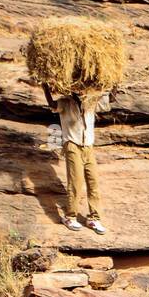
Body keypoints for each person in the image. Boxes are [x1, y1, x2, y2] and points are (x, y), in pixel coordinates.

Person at [42, 85, 112, 234]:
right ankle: (70, 217)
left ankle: (94, 218)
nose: (80, 90)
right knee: (76, 182)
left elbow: (108, 101)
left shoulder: (91, 101)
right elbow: (52, 105)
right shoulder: (65, 102)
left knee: (93, 182)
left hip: (88, 146)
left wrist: (115, 83)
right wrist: (45, 87)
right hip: (72, 145)